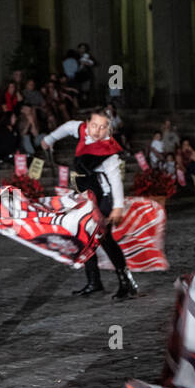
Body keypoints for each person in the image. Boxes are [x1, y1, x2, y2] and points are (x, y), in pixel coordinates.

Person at [41, 111, 138, 300]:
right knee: (85, 236)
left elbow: (115, 180)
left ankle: (127, 282)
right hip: (88, 196)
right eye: (94, 125)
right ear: (87, 124)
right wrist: (49, 139)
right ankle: (94, 282)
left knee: (105, 238)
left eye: (103, 127)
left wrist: (117, 206)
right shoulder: (81, 129)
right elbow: (68, 126)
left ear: (108, 129)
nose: (97, 130)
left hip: (105, 197)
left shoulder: (107, 149)